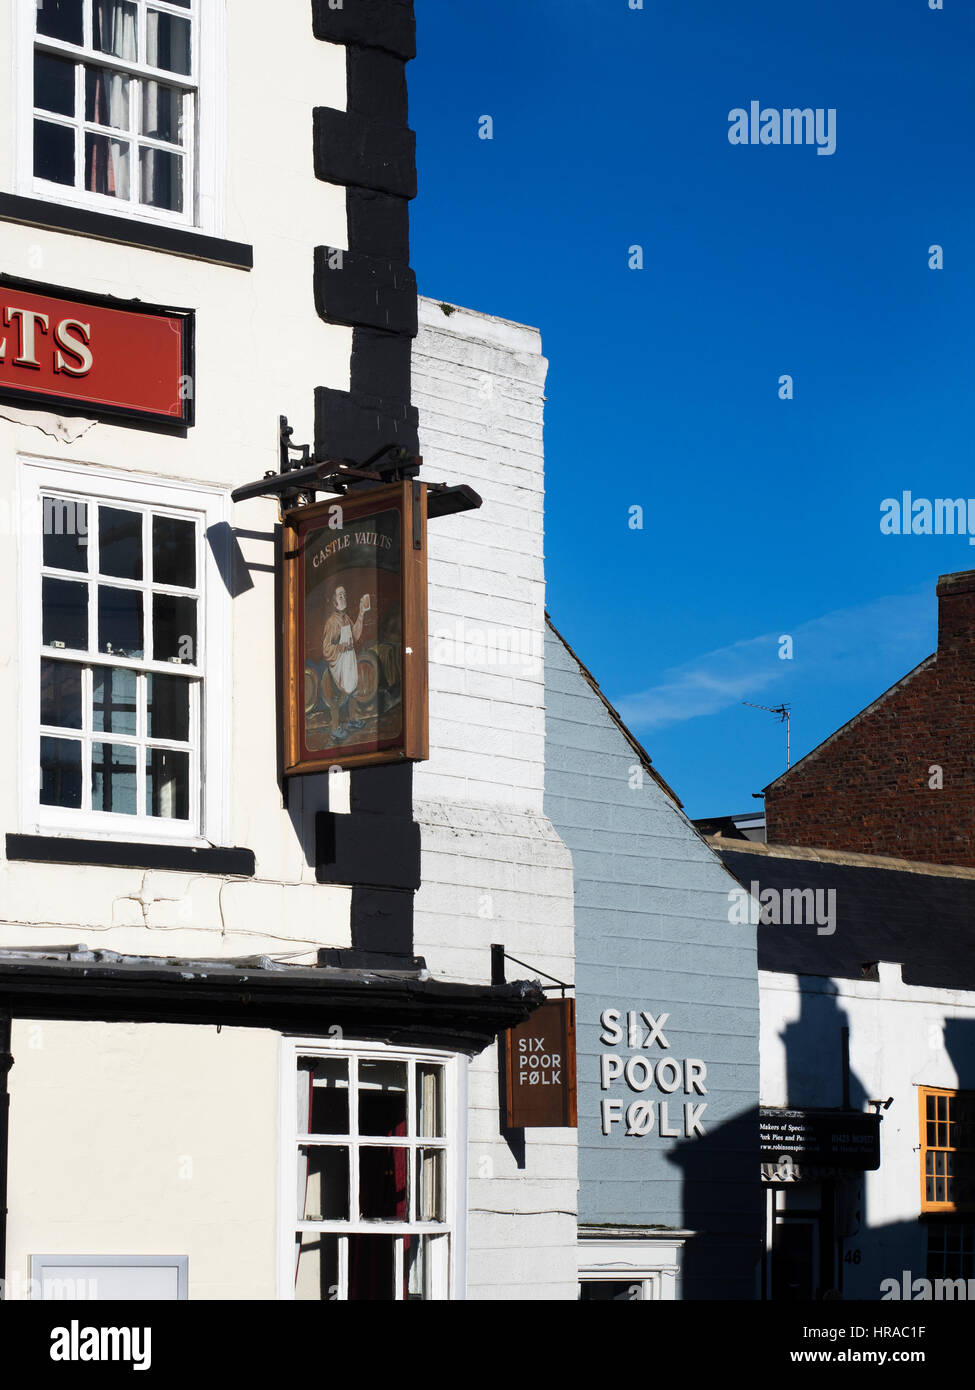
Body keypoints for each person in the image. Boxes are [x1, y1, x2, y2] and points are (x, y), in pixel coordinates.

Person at [321, 584, 369, 740]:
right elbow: (326, 648)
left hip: (349, 660)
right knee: (337, 697)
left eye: (344, 595)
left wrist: (361, 613)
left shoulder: (346, 618)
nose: (343, 597)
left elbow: (355, 635)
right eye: (340, 595)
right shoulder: (332, 622)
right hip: (338, 663)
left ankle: (353, 719)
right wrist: (339, 647)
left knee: (354, 690)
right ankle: (335, 728)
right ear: (334, 601)